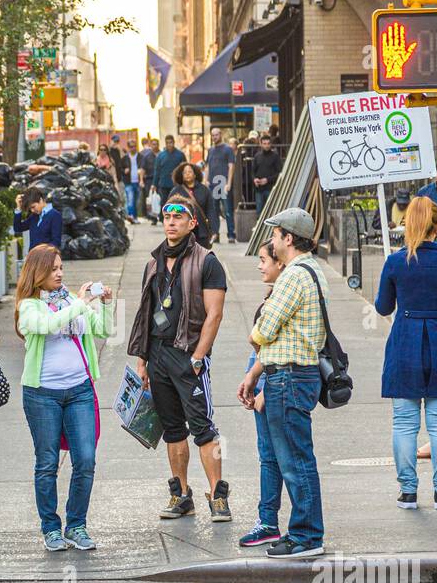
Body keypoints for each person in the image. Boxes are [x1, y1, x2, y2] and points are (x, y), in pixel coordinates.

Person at [127, 198, 231, 523]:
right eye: (166, 216)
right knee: (172, 430)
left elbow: (214, 315)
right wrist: (142, 358)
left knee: (203, 429)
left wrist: (199, 357)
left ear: (192, 223)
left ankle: (217, 496)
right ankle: (181, 495)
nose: (171, 222)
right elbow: (146, 313)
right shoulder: (153, 262)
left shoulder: (207, 262)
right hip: (158, 355)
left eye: (178, 217)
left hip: (189, 356)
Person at [236, 208, 328, 558]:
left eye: (276, 236)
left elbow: (264, 329)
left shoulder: (294, 276)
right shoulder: (312, 271)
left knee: (295, 460)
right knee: (294, 456)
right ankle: (304, 531)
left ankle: (306, 536)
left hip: (289, 377)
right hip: (293, 374)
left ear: (289, 239)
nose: (273, 241)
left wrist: (257, 338)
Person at [15, 244, 115, 551]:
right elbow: (46, 326)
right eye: (53, 269)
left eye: (61, 268)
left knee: (85, 459)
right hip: (42, 394)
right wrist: (81, 304)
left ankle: (76, 525)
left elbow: (103, 331)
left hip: (80, 391)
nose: (59, 273)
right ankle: (51, 528)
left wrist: (103, 305)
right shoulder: (28, 306)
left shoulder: (72, 299)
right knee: (47, 462)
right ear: (38, 272)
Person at [374, 196, 437, 511]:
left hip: (405, 342)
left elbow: (383, 306)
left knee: (404, 422)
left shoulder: (396, 262)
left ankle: (408, 492)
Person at [236, 240, 288, 547]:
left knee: (277, 456)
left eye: (263, 260)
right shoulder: (274, 294)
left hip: (274, 374)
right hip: (261, 370)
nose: (259, 265)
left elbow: (274, 346)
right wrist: (251, 378)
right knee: (269, 455)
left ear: (279, 263)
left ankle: (272, 521)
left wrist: (265, 385)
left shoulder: (284, 296)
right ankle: (268, 520)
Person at [171, 162, 214, 247]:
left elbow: (211, 210)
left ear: (195, 175)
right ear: (181, 175)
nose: (187, 174)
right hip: (182, 231)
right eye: (185, 172)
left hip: (202, 232)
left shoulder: (204, 190)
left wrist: (214, 230)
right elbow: (169, 210)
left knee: (201, 257)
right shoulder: (176, 191)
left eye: (190, 172)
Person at [206, 128, 237, 244]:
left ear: (221, 135)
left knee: (228, 210)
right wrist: (206, 180)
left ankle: (231, 235)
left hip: (223, 184)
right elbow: (208, 166)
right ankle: (216, 234)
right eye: (212, 135)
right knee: (214, 211)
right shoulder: (210, 150)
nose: (214, 137)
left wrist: (229, 183)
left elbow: (231, 167)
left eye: (216, 135)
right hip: (213, 184)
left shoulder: (228, 149)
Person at [151, 135, 185, 224]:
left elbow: (184, 169)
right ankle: (164, 219)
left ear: (173, 143)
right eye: (167, 143)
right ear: (165, 144)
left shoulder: (180, 155)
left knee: (177, 202)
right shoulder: (161, 156)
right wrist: (154, 184)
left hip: (176, 184)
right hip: (163, 183)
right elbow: (157, 171)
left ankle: (177, 218)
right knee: (164, 202)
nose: (169, 145)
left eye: (171, 142)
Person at [252, 134, 282, 213]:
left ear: (271, 144)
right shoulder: (257, 156)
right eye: (264, 144)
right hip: (259, 189)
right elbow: (252, 171)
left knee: (271, 211)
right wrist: (255, 179)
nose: (267, 146)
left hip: (270, 188)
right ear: (261, 144)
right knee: (259, 212)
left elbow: (279, 173)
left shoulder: (275, 156)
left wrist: (267, 180)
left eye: (268, 143)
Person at [122, 137, 142, 224]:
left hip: (137, 182)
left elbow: (144, 167)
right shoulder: (125, 158)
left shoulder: (140, 157)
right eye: (131, 147)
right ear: (128, 148)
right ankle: (131, 216)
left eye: (134, 146)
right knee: (130, 200)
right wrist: (124, 170)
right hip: (128, 182)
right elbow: (120, 169)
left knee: (136, 201)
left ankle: (135, 217)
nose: (132, 148)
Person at [139, 137, 158, 219]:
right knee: (150, 199)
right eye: (153, 144)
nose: (155, 146)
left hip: (159, 180)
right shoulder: (146, 156)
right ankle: (152, 217)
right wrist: (141, 180)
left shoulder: (161, 154)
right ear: (151, 145)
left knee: (160, 198)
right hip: (149, 180)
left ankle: (161, 215)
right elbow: (142, 169)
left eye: (156, 144)